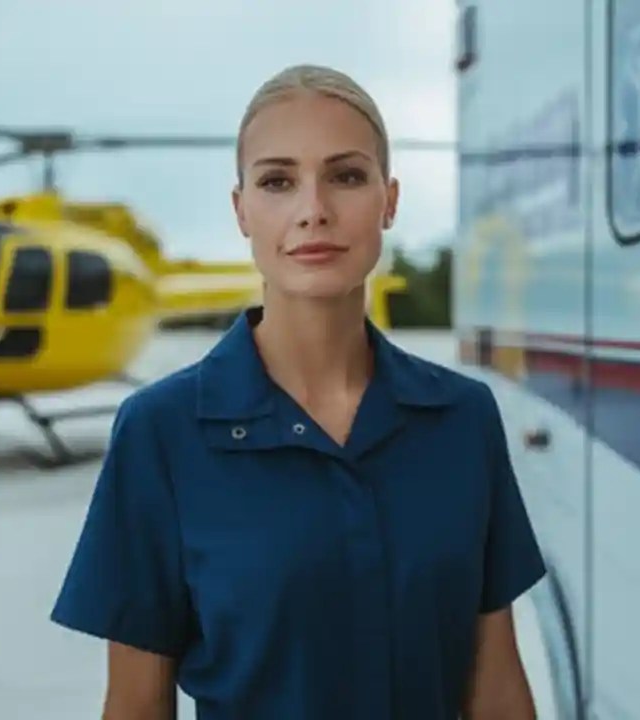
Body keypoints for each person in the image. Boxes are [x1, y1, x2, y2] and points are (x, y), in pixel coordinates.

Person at [50, 63, 547, 720]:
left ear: (388, 200)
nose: (313, 211)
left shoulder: (463, 419)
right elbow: (137, 707)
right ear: (241, 210)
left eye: (345, 176)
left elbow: (498, 689)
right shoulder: (160, 433)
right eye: (278, 181)